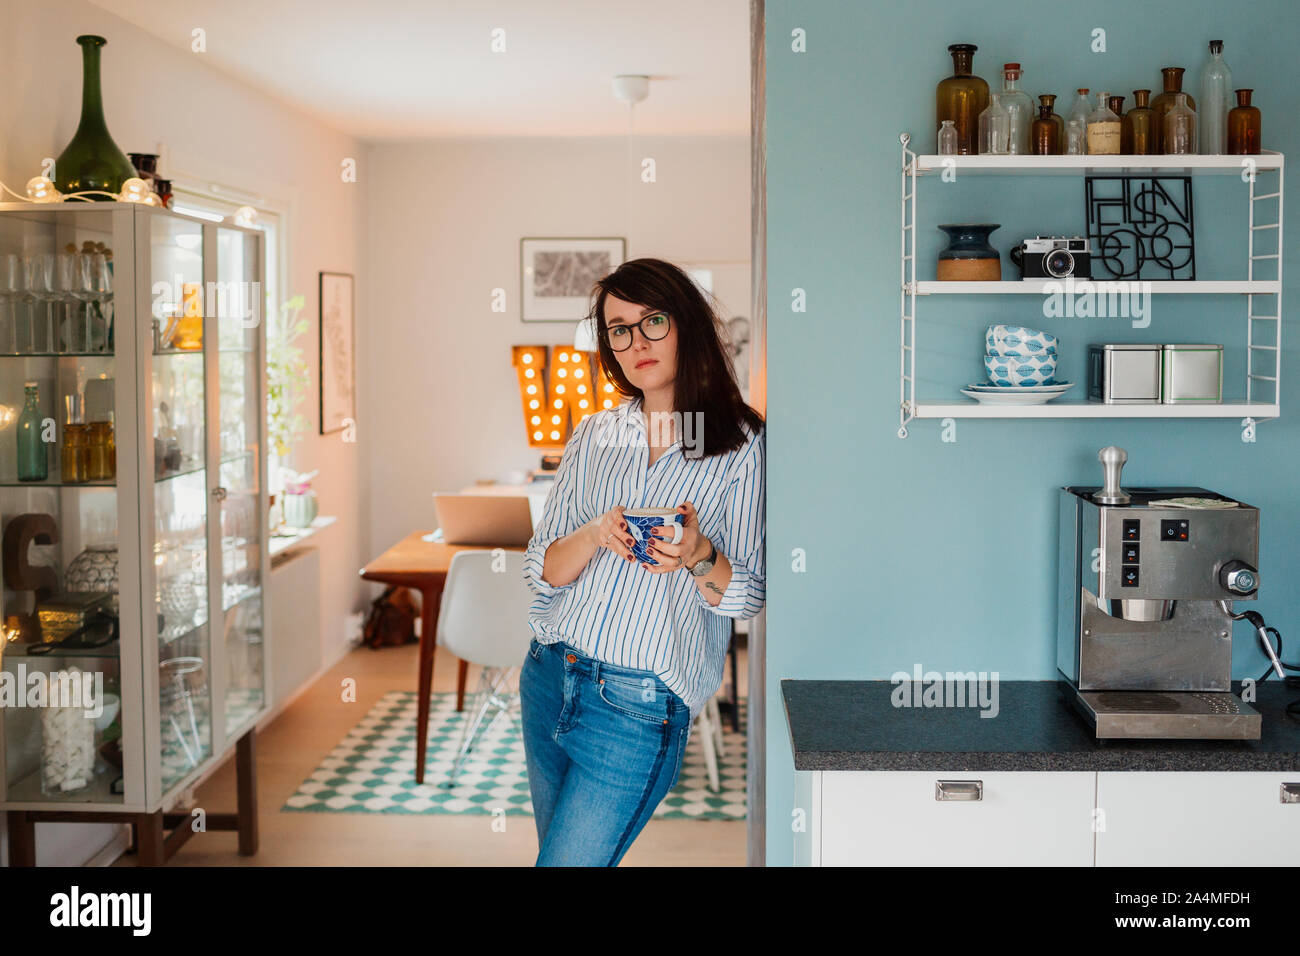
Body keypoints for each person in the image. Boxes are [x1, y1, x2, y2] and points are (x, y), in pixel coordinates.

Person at [519, 257, 765, 866]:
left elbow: (749, 596)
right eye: (619, 329)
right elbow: (542, 569)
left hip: (636, 707)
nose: (636, 342)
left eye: (651, 321)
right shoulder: (594, 434)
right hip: (550, 675)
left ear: (685, 323)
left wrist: (698, 553)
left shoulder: (741, 443)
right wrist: (597, 533)